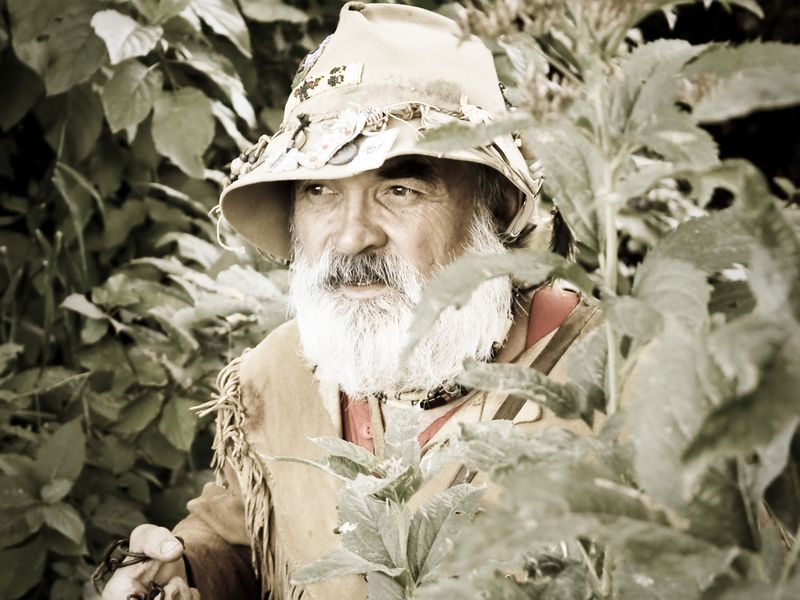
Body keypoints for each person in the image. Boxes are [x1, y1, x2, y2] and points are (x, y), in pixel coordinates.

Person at [101, 2, 602, 598]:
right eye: (319, 189)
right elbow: (244, 540)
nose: (350, 234)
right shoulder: (280, 373)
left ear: (491, 209)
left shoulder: (618, 386)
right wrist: (178, 575)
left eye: (400, 187)